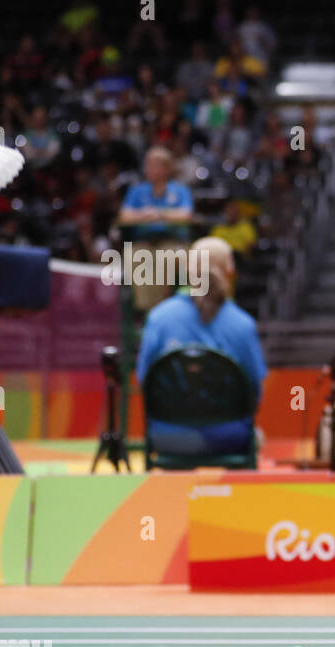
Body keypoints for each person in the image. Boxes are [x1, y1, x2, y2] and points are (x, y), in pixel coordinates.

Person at [136, 237, 266, 457]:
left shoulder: (159, 318)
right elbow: (255, 391)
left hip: (167, 436)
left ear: (188, 270)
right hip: (229, 437)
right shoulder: (243, 325)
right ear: (230, 270)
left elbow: (143, 379)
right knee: (258, 438)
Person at [118, 146, 195, 312]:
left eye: (153, 164)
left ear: (166, 168)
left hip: (173, 242)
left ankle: (161, 306)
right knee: (134, 255)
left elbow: (186, 215)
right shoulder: (137, 191)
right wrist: (146, 216)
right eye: (147, 164)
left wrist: (159, 214)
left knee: (165, 256)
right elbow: (125, 216)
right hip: (144, 241)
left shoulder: (180, 191)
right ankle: (147, 308)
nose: (147, 168)